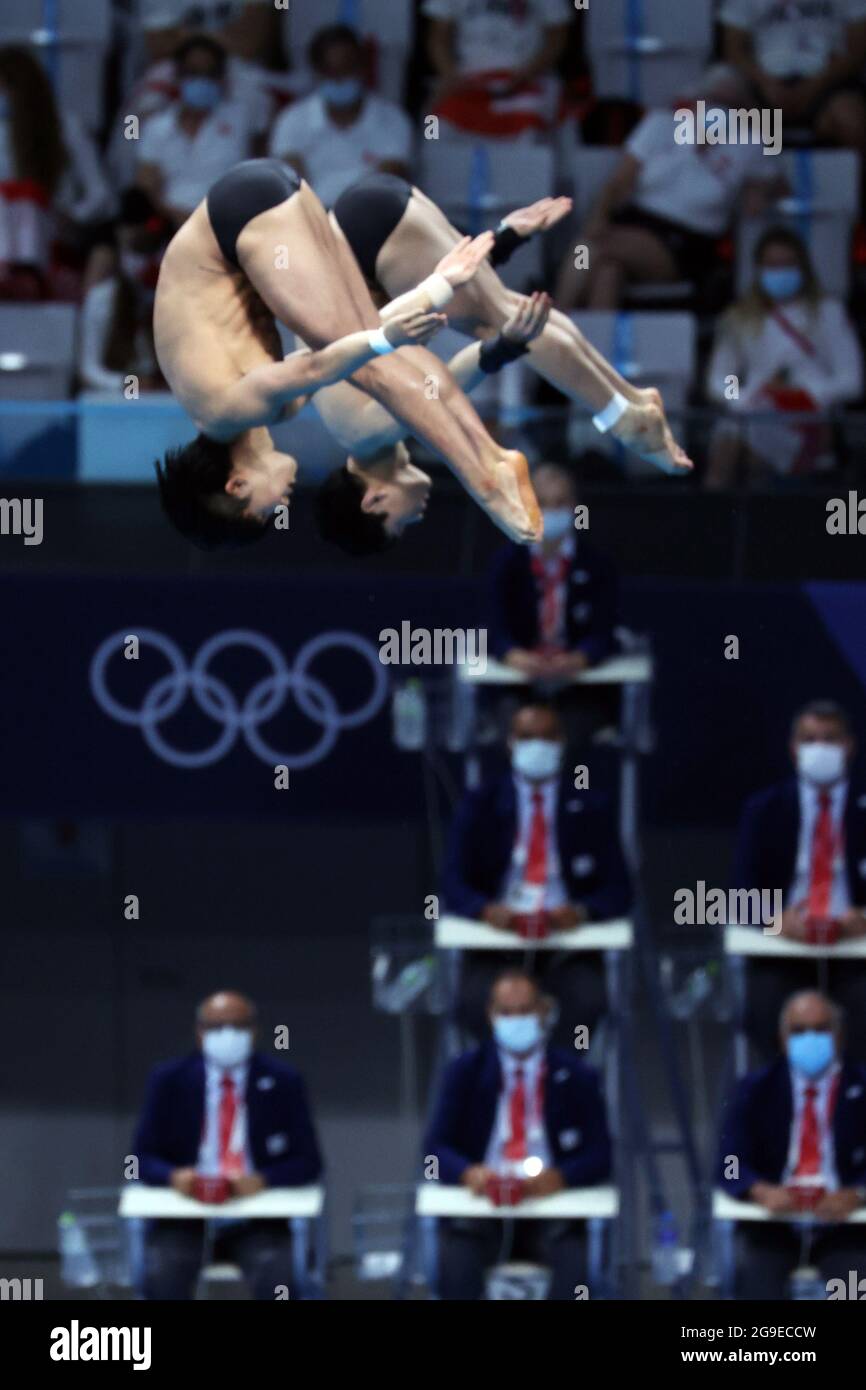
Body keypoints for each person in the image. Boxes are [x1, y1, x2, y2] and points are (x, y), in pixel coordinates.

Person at [151, 157, 544, 549]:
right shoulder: (256, 408)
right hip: (265, 199)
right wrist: (437, 287)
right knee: (367, 346)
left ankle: (485, 480)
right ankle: (490, 460)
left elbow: (326, 362)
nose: (285, 502)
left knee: (374, 368)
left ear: (236, 485)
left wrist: (389, 335)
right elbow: (349, 347)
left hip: (244, 216)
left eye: (272, 508)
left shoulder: (223, 413)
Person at [326, 170, 692, 494]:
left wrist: (500, 348)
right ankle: (632, 399)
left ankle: (624, 419)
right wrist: (505, 240)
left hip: (367, 240)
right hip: (366, 215)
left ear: (372, 501)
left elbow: (447, 384)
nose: (418, 514)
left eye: (398, 527)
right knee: (507, 309)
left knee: (497, 320)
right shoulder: (353, 424)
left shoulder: (361, 433)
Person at [441, 703, 631, 1045]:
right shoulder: (479, 803)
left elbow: (620, 890)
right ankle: (501, 1085)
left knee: (589, 1004)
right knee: (471, 1005)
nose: (537, 745)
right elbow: (452, 883)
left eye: (547, 736)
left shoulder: (591, 805)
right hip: (497, 946)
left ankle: (558, 1083)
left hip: (566, 947)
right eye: (527, 736)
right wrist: (484, 909)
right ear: (510, 742)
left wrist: (582, 912)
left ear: (561, 742)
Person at [424, 969, 611, 1300]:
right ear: (491, 1015)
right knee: (454, 1261)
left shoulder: (578, 1075)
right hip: (485, 1208)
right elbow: (434, 1152)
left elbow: (601, 1154)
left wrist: (562, 1177)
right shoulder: (464, 1071)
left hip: (553, 1211)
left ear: (543, 1012)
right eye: (506, 1012)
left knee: (579, 1269)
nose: (516, 1020)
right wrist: (468, 1173)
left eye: (524, 1010)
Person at [133, 990, 323, 1301]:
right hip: (185, 1218)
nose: (228, 1034)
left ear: (254, 1031)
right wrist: (171, 1176)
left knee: (282, 1284)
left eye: (238, 1026)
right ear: (199, 1032)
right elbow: (138, 1160)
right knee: (160, 1276)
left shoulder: (283, 1081)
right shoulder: (168, 1080)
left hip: (258, 1221)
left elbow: (310, 1162)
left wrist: (265, 1180)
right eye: (216, 1026)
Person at [555, 68, 782, 310]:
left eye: (731, 104)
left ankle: (554, 319)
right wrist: (598, 216)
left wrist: (760, 190)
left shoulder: (749, 144)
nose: (719, 110)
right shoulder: (662, 125)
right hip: (634, 222)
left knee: (589, 246)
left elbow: (773, 187)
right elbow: (618, 182)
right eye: (713, 100)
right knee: (608, 272)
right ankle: (592, 342)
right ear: (697, 100)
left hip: (687, 241)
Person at [732, 700, 866, 1061]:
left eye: (830, 738)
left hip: (856, 952)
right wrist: (774, 920)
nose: (819, 748)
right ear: (794, 749)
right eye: (810, 739)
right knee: (763, 1006)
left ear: (849, 747)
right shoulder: (764, 810)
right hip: (786, 949)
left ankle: (850, 1104)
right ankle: (784, 1100)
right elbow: (739, 893)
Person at [718, 990, 866, 1300]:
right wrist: (757, 1189)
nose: (810, 1039)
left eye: (821, 1029)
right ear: (783, 1039)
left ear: (839, 1036)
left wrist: (858, 1193)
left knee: (855, 1292)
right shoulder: (754, 1089)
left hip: (844, 1226)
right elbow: (728, 1163)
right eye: (799, 1031)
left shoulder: (861, 1087)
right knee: (756, 1289)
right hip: (775, 1225)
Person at [704, 226, 863, 488]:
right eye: (772, 265)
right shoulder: (741, 318)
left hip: (809, 415)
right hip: (755, 410)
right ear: (758, 270)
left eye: (787, 264)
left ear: (803, 267)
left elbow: (850, 379)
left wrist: (804, 394)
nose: (780, 271)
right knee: (731, 437)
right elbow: (726, 375)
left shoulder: (828, 313)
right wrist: (738, 397)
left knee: (738, 446)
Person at [488, 461, 618, 679]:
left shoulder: (597, 563)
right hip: (518, 679)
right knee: (523, 715)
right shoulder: (506, 562)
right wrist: (516, 657)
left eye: (560, 503)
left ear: (576, 508)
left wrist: (578, 660)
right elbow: (494, 630)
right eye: (542, 503)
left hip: (582, 683)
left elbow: (605, 633)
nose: (550, 511)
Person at [0, 45, 114, 294]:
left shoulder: (66, 127)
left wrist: (72, 216)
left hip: (52, 237)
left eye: (5, 89)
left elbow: (100, 193)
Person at [269, 25, 412, 208]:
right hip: (311, 221)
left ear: (362, 68)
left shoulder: (394, 120)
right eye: (331, 72)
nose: (339, 79)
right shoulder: (291, 120)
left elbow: (388, 184)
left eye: (347, 69)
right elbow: (290, 188)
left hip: (370, 218)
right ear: (317, 73)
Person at [136, 36, 256, 231]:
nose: (202, 80)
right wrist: (178, 219)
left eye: (210, 74)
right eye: (193, 73)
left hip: (229, 223)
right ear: (178, 76)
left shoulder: (242, 119)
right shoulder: (156, 127)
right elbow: (146, 187)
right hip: (171, 224)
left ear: (221, 78)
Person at [720, 0, 866, 160]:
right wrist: (766, 83)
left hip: (828, 85)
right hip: (763, 88)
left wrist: (813, 87)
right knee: (722, 120)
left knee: (852, 119)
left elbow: (858, 46)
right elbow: (733, 49)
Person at [424, 0, 572, 138]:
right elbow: (438, 37)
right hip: (468, 80)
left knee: (529, 129)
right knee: (435, 125)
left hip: (525, 79)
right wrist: (449, 74)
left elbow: (557, 36)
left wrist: (530, 72)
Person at [79, 189, 169, 393]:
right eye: (136, 249)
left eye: (149, 247)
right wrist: (132, 386)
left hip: (162, 402)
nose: (143, 261)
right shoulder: (102, 298)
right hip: (121, 400)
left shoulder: (172, 301)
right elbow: (88, 370)